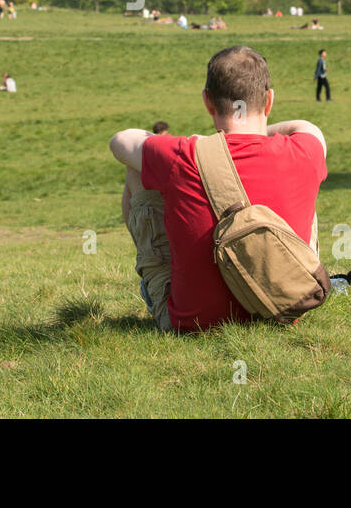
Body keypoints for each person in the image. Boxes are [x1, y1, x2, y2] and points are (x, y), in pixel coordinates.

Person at [108, 46, 327, 331]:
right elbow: (308, 127)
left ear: (207, 102)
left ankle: (156, 284)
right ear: (269, 101)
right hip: (284, 308)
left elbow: (120, 141)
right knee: (305, 189)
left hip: (192, 322)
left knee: (137, 169)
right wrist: (258, 133)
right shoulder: (304, 150)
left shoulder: (183, 155)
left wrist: (212, 145)